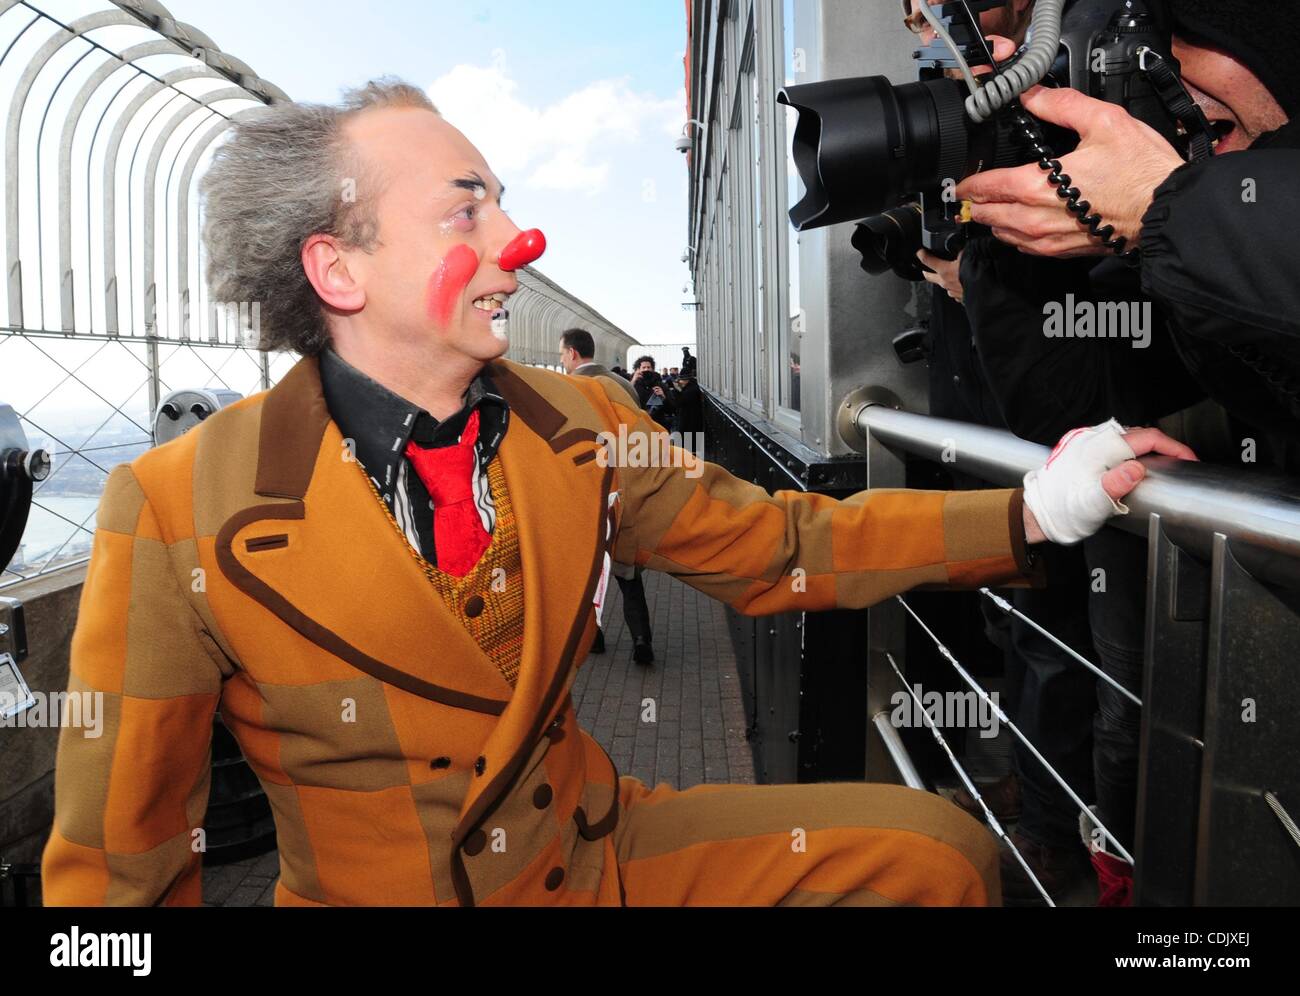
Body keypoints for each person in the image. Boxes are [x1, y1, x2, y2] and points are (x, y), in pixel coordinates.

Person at [41, 78, 1184, 908]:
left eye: (501, 201)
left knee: (938, 855)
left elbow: (779, 544)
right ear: (338, 269)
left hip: (600, 858)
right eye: (464, 212)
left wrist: (1035, 508)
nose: (518, 241)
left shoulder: (582, 425)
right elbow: (117, 864)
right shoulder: (179, 505)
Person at [559, 328, 655, 664]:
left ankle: (594, 638)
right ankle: (642, 641)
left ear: (571, 353)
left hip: (588, 495)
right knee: (629, 575)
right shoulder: (624, 385)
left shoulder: (569, 388)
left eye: (561, 354)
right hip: (625, 488)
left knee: (588, 576)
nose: (561, 360)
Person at [630, 354, 675, 431]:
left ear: (653, 369)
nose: (646, 369)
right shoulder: (634, 385)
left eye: (648, 367)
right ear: (638, 369)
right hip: (639, 426)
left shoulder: (661, 385)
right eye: (643, 367)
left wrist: (664, 397)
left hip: (658, 426)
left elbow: (672, 409)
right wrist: (633, 381)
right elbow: (624, 399)